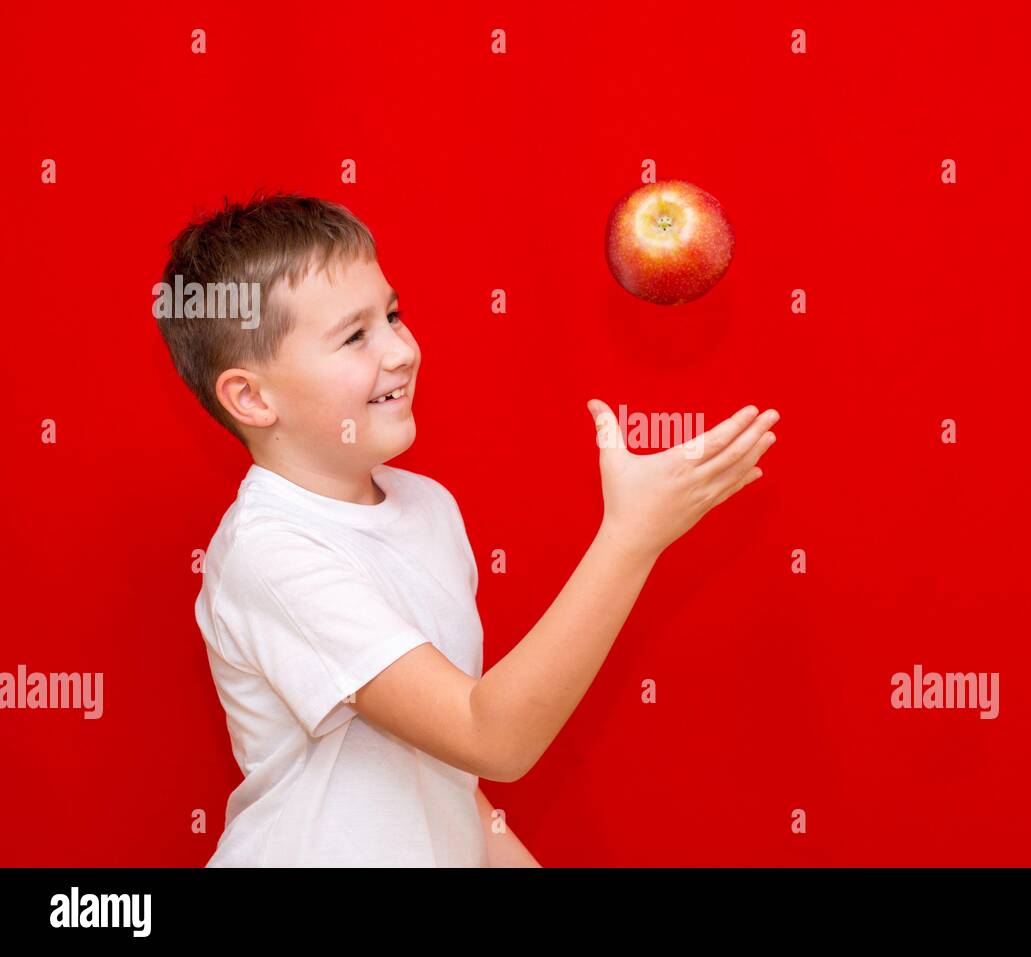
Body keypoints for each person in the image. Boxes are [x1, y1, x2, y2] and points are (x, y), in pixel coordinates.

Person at [155, 192, 780, 866]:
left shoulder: (427, 507)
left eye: (393, 314)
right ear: (250, 397)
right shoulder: (270, 551)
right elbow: (491, 735)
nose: (400, 350)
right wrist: (631, 538)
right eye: (355, 335)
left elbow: (447, 766)